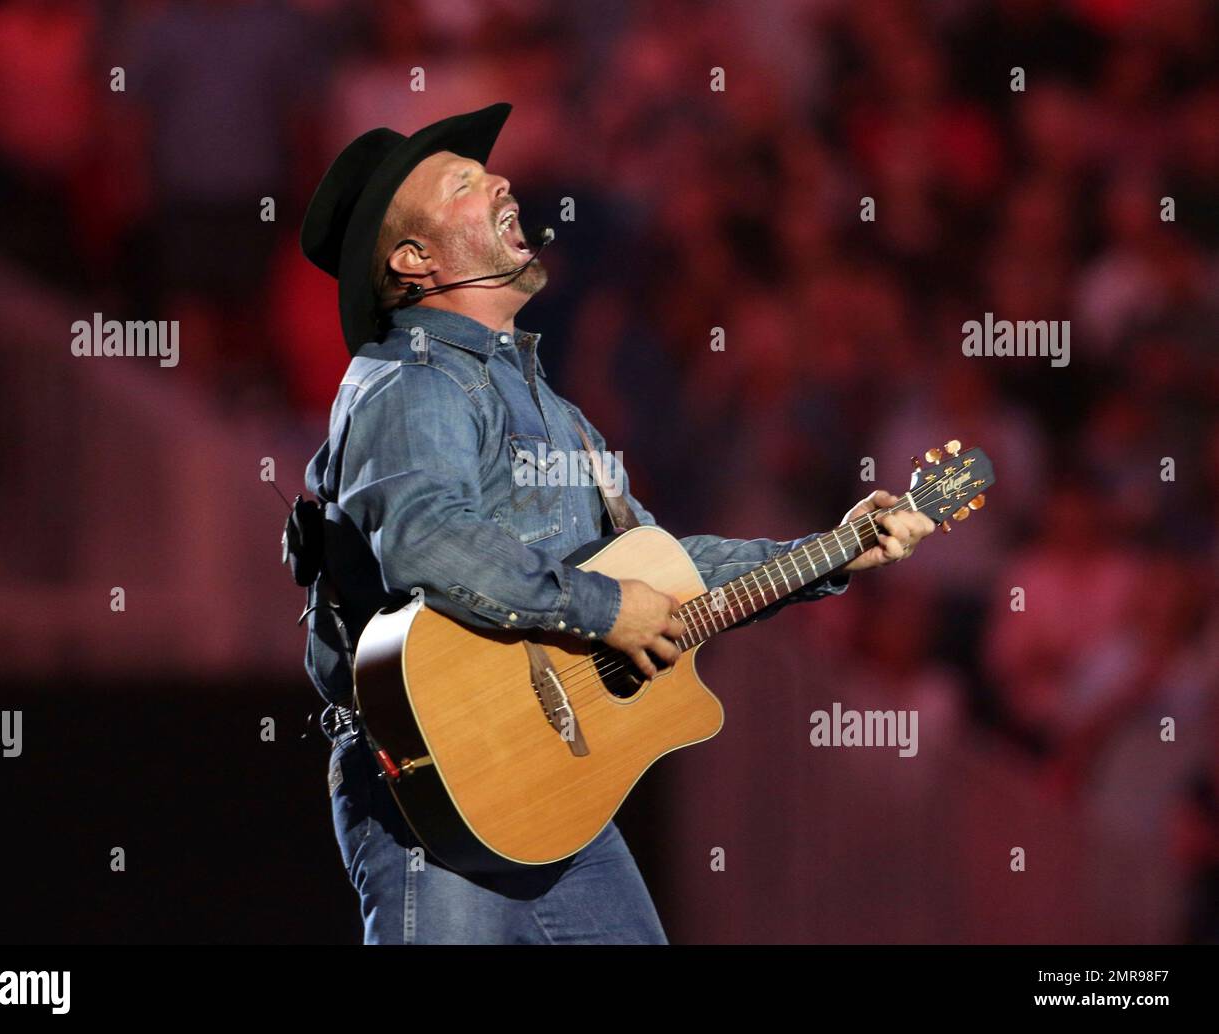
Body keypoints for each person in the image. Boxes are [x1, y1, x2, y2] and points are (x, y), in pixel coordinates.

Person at [297, 102, 935, 944]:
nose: (500, 180)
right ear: (413, 260)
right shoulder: (411, 379)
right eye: (463, 182)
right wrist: (603, 610)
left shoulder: (549, 407)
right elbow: (425, 538)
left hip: (553, 796)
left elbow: (661, 566)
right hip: (436, 798)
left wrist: (835, 549)